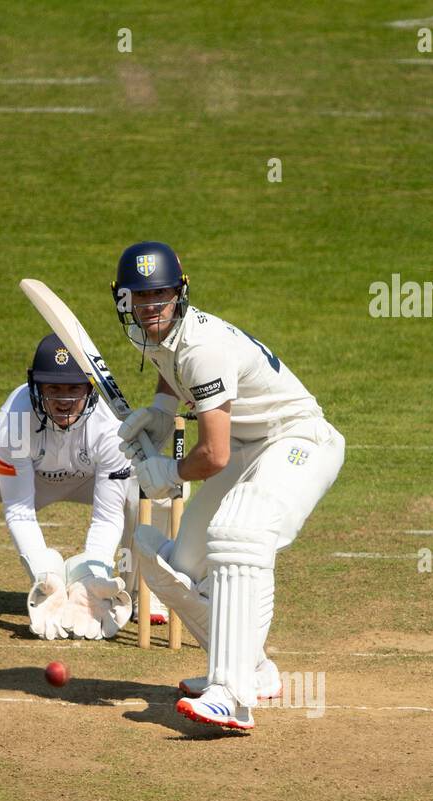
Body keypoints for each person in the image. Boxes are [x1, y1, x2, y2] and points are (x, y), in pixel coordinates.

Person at [113, 241, 345, 729]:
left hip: (297, 440)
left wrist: (168, 473)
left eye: (162, 296)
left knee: (239, 535)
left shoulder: (204, 348)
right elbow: (169, 370)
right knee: (176, 567)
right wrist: (161, 412)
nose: (151, 307)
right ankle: (254, 669)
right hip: (247, 446)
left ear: (180, 294)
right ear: (125, 300)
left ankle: (230, 693)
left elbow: (212, 455)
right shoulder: (151, 334)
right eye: (141, 298)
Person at [0, 333, 158, 640]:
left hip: (86, 479)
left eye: (73, 389)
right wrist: (45, 576)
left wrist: (93, 577)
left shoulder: (109, 430)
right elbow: (20, 510)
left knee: (151, 477)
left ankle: (146, 592)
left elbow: (107, 518)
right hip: (25, 480)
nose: (64, 401)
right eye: (53, 388)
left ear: (90, 388)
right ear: (36, 386)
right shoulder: (15, 419)